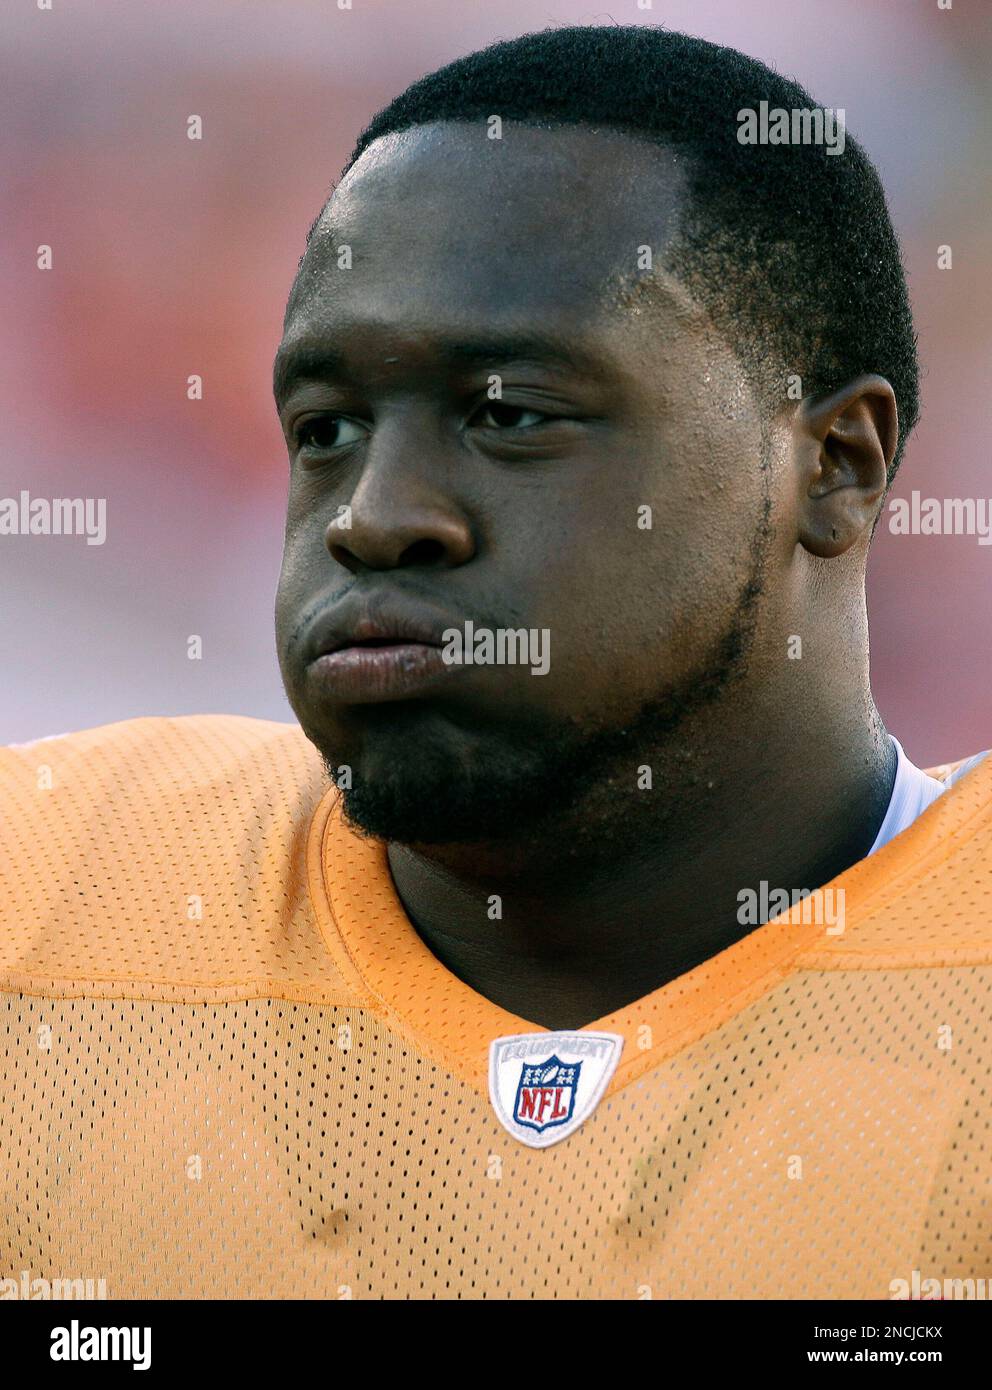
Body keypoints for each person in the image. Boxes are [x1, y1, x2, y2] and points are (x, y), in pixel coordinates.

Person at [2, 25, 988, 1301]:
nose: (372, 511)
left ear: (833, 467)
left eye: (509, 414)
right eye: (326, 426)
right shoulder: (52, 898)